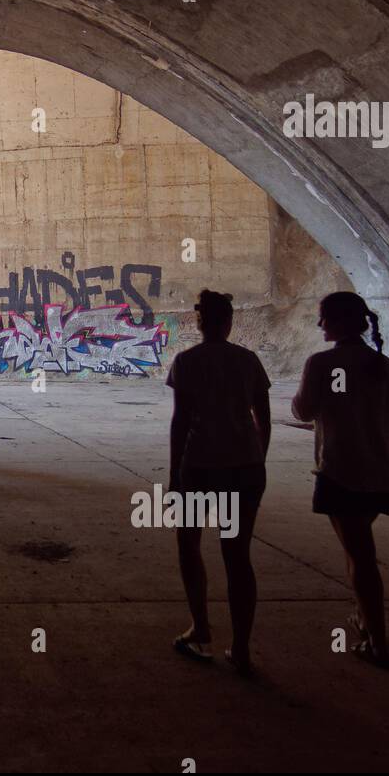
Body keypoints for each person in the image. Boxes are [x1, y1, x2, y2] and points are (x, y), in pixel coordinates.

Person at [291, 291, 389, 669]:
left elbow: (302, 410)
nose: (319, 324)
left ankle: (378, 642)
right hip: (380, 474)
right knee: (356, 551)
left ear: (340, 321)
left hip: (342, 472)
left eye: (324, 317)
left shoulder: (323, 364)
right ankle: (363, 618)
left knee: (361, 558)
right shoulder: (385, 366)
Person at [166, 290, 272, 677]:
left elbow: (180, 423)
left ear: (199, 322)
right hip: (244, 468)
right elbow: (264, 419)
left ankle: (201, 626)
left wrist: (175, 473)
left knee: (189, 544)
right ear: (229, 322)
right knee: (237, 556)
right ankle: (241, 648)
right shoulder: (248, 361)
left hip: (201, 466)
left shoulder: (187, 362)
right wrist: (257, 458)